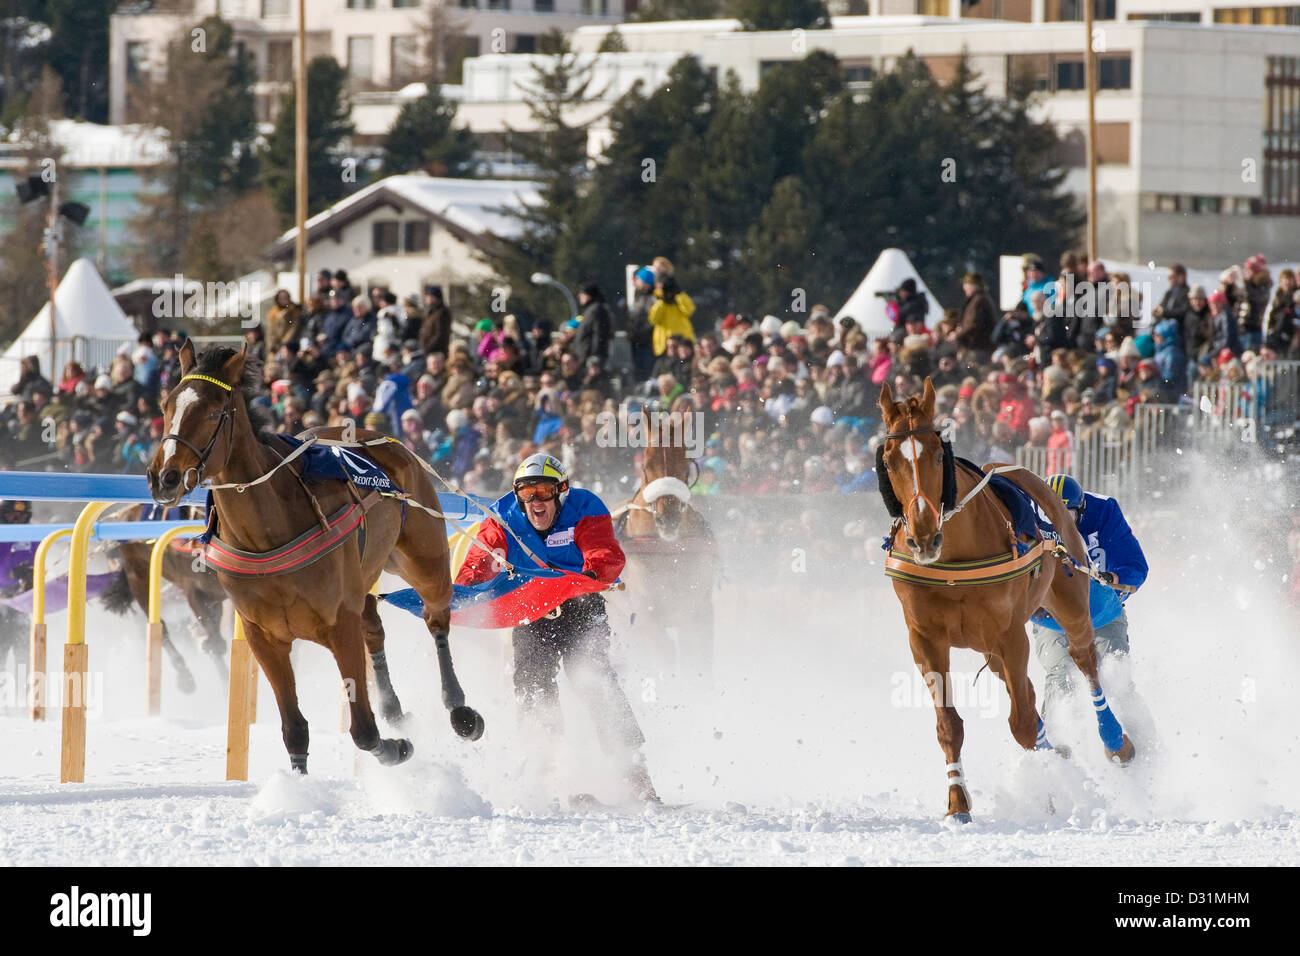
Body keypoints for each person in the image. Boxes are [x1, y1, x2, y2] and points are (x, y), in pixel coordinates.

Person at [454, 453, 659, 803]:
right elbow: (477, 564)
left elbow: (603, 551)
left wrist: (591, 573)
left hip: (580, 607)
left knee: (595, 681)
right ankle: (551, 780)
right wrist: (462, 592)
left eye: (544, 492)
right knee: (533, 690)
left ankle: (637, 781)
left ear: (561, 492)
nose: (536, 501)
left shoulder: (584, 508)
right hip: (532, 612)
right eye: (527, 493)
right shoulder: (503, 518)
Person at [1032, 474, 1148, 726]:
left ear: (1082, 510)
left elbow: (1136, 567)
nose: (1060, 523)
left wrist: (1110, 578)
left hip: (1103, 610)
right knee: (1062, 675)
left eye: (1067, 516)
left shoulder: (1104, 511)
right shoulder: (1028, 516)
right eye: (1051, 516)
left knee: (1115, 674)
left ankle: (1142, 740)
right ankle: (1051, 748)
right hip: (1052, 616)